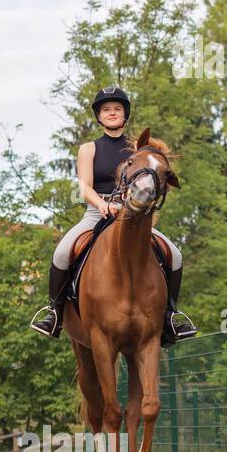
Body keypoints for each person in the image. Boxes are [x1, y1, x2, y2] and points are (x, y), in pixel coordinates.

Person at [29, 85, 196, 344]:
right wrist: (101, 205)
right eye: (106, 110)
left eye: (117, 109)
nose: (112, 113)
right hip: (97, 213)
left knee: (174, 254)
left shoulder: (136, 150)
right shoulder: (89, 148)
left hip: (132, 215)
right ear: (99, 116)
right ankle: (55, 313)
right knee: (62, 252)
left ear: (125, 114)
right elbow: (84, 186)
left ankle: (170, 317)